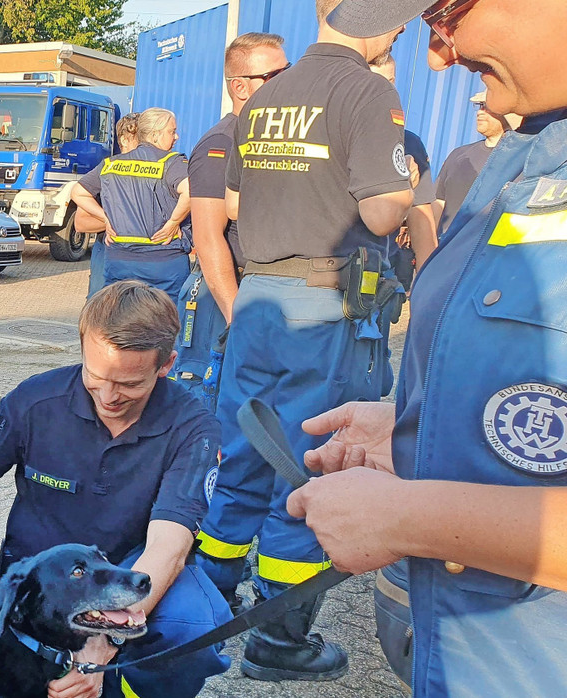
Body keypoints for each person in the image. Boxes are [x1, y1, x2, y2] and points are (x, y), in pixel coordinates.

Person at [290, 1, 567, 695]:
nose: (438, 56)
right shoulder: (534, 151)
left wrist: (409, 517)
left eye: (445, 10)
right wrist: (427, 429)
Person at [197, 0, 414, 682]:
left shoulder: (265, 97)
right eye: (401, 20)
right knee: (306, 464)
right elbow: (383, 209)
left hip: (257, 298)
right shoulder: (367, 90)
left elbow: (232, 205)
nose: (403, 31)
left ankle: (203, 611)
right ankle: (279, 642)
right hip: (320, 306)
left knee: (242, 459)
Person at [0, 281, 230, 698]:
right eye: (96, 376)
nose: (108, 396)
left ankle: (118, 687)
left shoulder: (195, 429)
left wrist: (104, 644)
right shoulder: (33, 401)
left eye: (130, 384)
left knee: (194, 628)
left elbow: (168, 548)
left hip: (130, 572)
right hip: (41, 575)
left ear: (167, 364)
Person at [171, 32, 289, 410]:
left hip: (252, 293)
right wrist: (236, 317)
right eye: (275, 76)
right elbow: (207, 239)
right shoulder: (220, 144)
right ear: (240, 86)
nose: (288, 82)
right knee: (206, 405)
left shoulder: (265, 138)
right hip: (221, 295)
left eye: (289, 70)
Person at [70, 109, 193, 297]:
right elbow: (191, 191)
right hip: (163, 262)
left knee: (121, 320)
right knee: (166, 321)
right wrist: (174, 222)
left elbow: (78, 192)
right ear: (155, 134)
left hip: (119, 261)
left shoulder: (111, 164)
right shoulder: (171, 163)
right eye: (171, 131)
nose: (176, 136)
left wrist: (107, 219)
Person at [370, 54, 436, 287]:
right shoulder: (330, 133)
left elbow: (422, 219)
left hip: (382, 275)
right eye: (376, 82)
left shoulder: (409, 143)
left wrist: (428, 283)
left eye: (391, 81)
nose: (386, 91)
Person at [434, 90, 522, 237]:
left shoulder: (523, 160)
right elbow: (438, 203)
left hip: (489, 254)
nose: (480, 112)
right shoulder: (459, 155)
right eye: (480, 106)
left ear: (509, 114)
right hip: (448, 252)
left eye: (488, 107)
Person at [74, 112, 141, 299]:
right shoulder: (106, 170)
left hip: (141, 255)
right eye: (138, 139)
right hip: (107, 251)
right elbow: (81, 223)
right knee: (100, 306)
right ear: (124, 140)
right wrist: (119, 222)